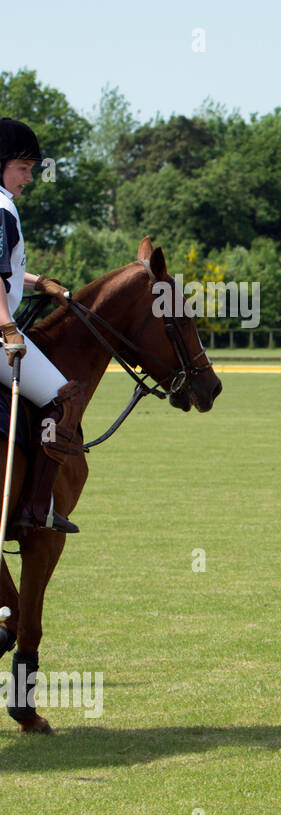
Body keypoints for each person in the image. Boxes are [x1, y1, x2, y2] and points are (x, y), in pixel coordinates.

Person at [0, 117, 84, 534]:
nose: (30, 177)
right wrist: (8, 328)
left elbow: (10, 272)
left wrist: (39, 282)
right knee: (65, 398)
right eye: (23, 168)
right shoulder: (3, 209)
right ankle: (35, 507)